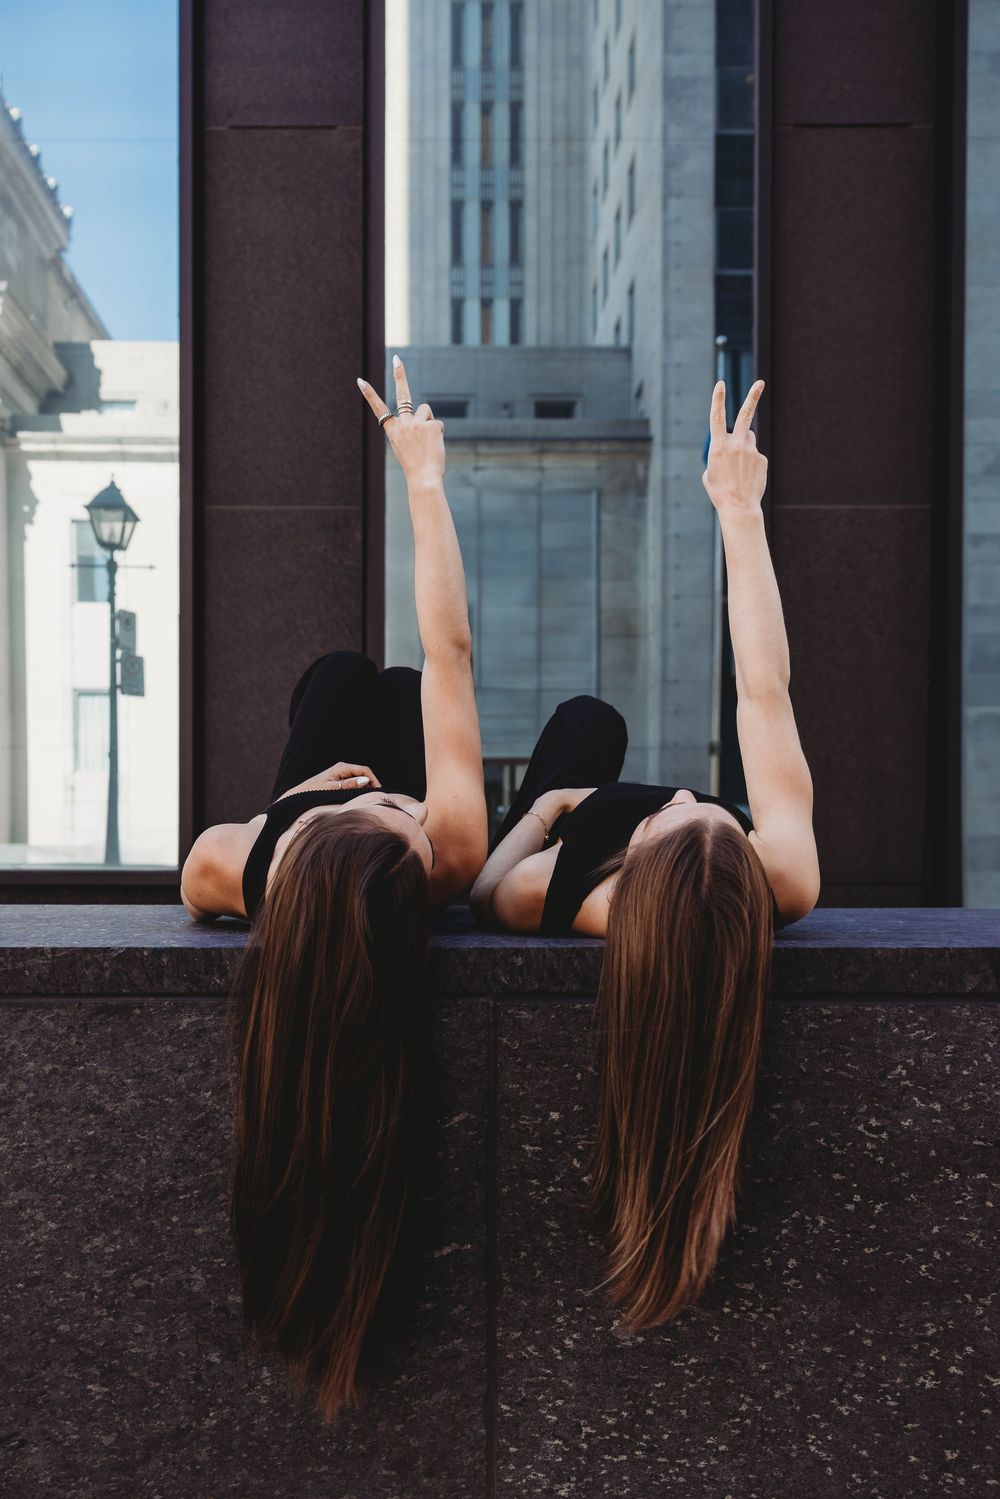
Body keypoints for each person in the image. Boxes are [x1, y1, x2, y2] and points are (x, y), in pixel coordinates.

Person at [469, 377, 820, 1331]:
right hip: (660, 860)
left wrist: (548, 807)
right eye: (713, 811)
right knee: (609, 720)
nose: (678, 796)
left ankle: (561, 770)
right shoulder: (779, 870)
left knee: (588, 723)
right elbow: (765, 694)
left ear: (640, 865)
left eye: (675, 816)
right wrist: (738, 513)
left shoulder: (576, 892)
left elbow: (486, 885)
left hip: (567, 818)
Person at [180, 355, 487, 1420]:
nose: (406, 802)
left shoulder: (258, 860)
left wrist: (293, 801)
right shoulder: (445, 848)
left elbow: (197, 866)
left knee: (337, 679)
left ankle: (322, 723)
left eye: (394, 805)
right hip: (329, 863)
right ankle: (342, 706)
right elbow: (447, 654)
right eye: (406, 812)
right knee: (400, 685)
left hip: (298, 835)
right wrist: (423, 481)